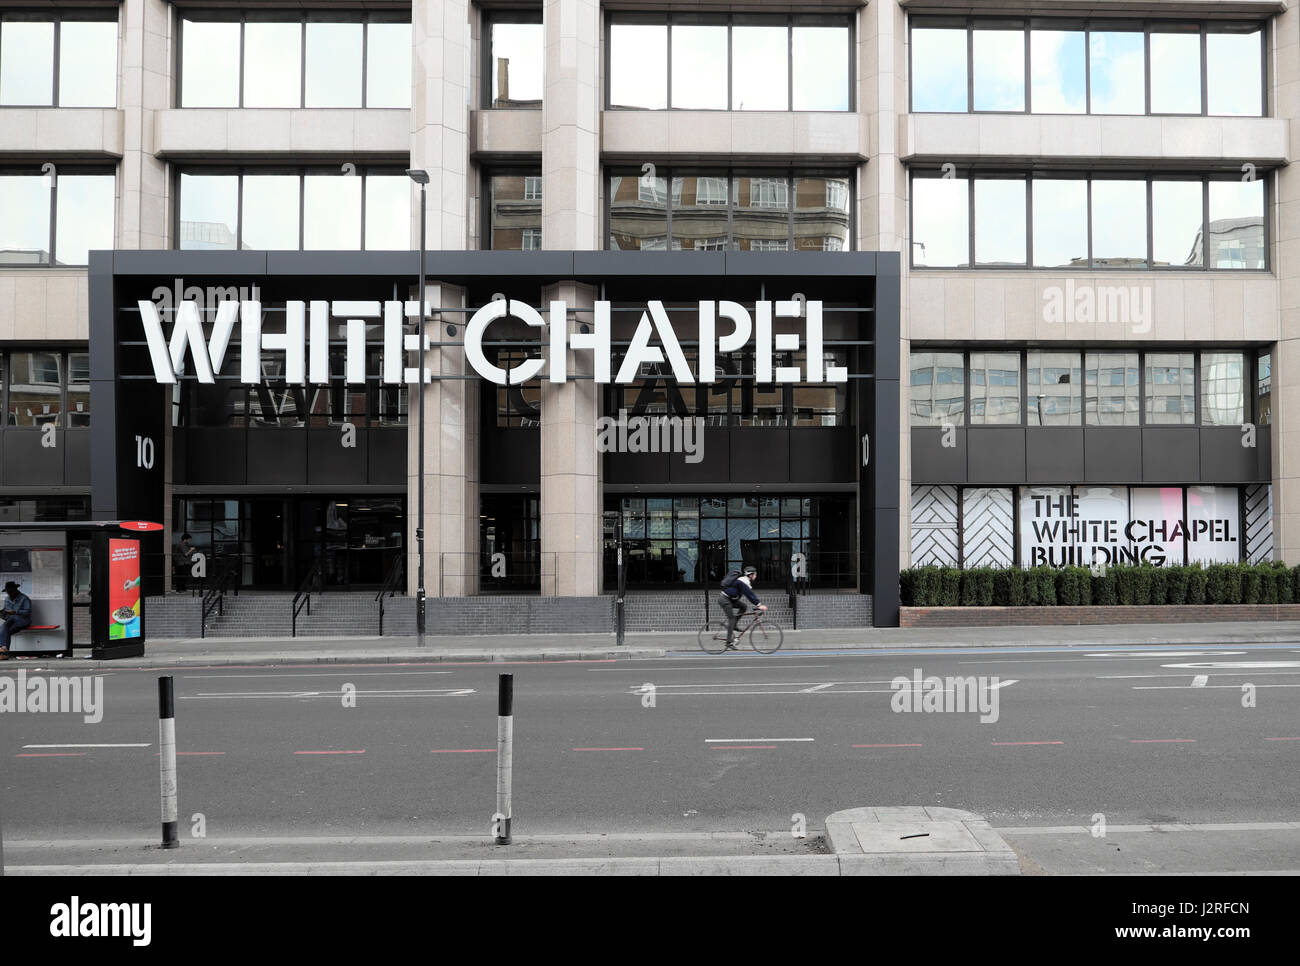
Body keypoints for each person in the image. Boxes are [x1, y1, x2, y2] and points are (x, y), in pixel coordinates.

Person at [718, 564, 765, 650]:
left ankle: (734, 625)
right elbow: (749, 595)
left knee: (743, 606)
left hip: (731, 599)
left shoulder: (745, 581)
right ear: (750, 575)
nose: (756, 576)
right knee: (731, 619)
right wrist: (759, 605)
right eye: (755, 574)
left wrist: (758, 604)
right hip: (724, 599)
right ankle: (729, 642)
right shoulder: (743, 581)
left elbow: (749, 593)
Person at [0, 580, 32, 658]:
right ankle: (4, 652)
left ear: (16, 590)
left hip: (23, 621)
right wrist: (2, 614)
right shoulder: (7, 599)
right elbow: (6, 610)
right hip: (11, 621)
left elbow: (27, 612)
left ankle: (3, 649)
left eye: (11, 592)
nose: (9, 594)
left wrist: (15, 612)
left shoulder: (24, 598)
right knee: (5, 630)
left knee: (5, 627)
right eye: (8, 592)